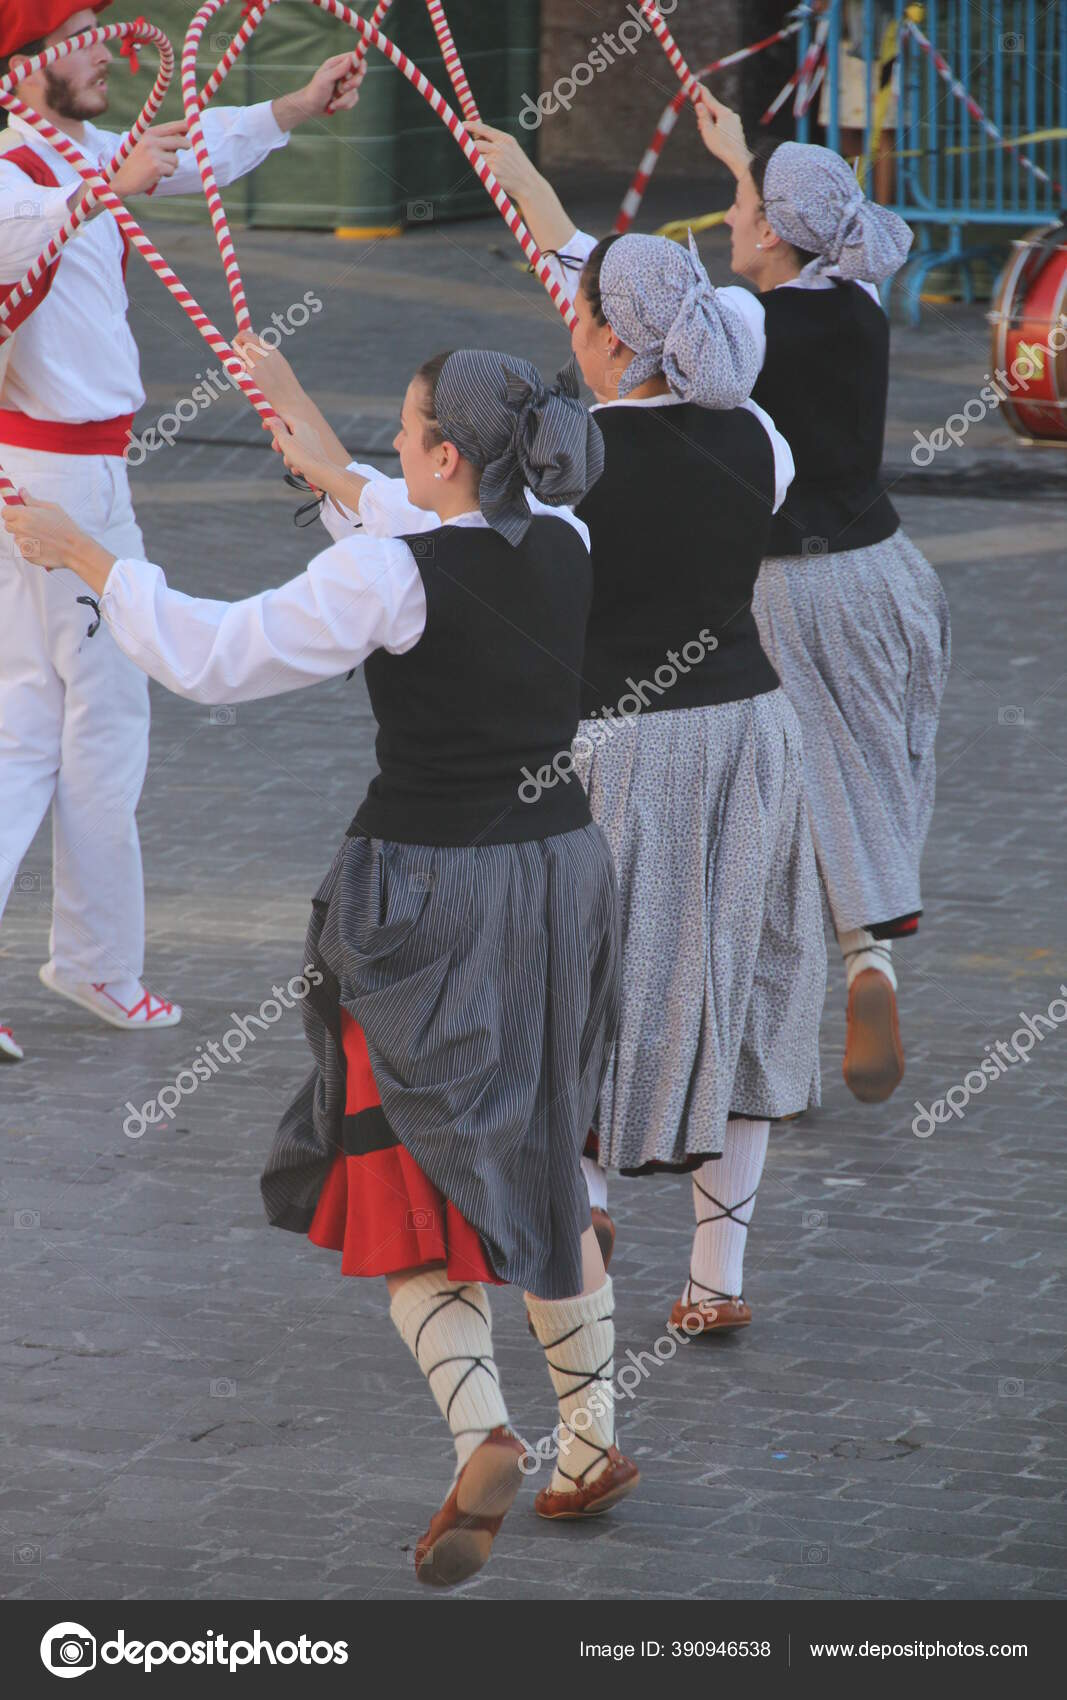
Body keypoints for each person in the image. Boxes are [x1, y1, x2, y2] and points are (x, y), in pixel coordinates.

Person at [4, 341, 640, 1583]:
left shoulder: (385, 584)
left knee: (398, 1168)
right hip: (560, 873)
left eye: (405, 429)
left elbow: (215, 653)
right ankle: (593, 1440)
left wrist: (86, 558)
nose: (393, 448)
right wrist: (294, 404)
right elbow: (405, 509)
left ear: (445, 451)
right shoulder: (557, 530)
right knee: (537, 1150)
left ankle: (483, 1429)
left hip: (431, 890)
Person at [463, 125, 827, 1336]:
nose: (567, 328)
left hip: (621, 742)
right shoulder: (754, 434)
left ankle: (586, 1208)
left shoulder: (573, 458)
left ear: (613, 338)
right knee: (744, 972)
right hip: (756, 725)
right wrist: (514, 167)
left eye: (580, 319)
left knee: (588, 980)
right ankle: (714, 1278)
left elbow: (463, 537)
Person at [0, 1, 362, 1059]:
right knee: (85, 720)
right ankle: (98, 962)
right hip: (56, 480)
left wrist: (293, 106)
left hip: (73, 475)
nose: (106, 47)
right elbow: (20, 239)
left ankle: (96, 959)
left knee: (45, 722)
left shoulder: (74, 154)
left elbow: (190, 151)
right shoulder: (23, 176)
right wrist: (97, 192)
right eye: (78, 34)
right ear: (18, 71)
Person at [693, 93, 950, 1104]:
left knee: (786, 810)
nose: (726, 222)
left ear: (771, 232)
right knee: (878, 776)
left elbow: (624, 289)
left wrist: (533, 194)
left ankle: (779, 1054)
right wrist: (736, 161)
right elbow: (791, 239)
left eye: (740, 210)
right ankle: (869, 960)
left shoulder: (744, 324)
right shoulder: (858, 295)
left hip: (790, 587)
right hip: (891, 572)